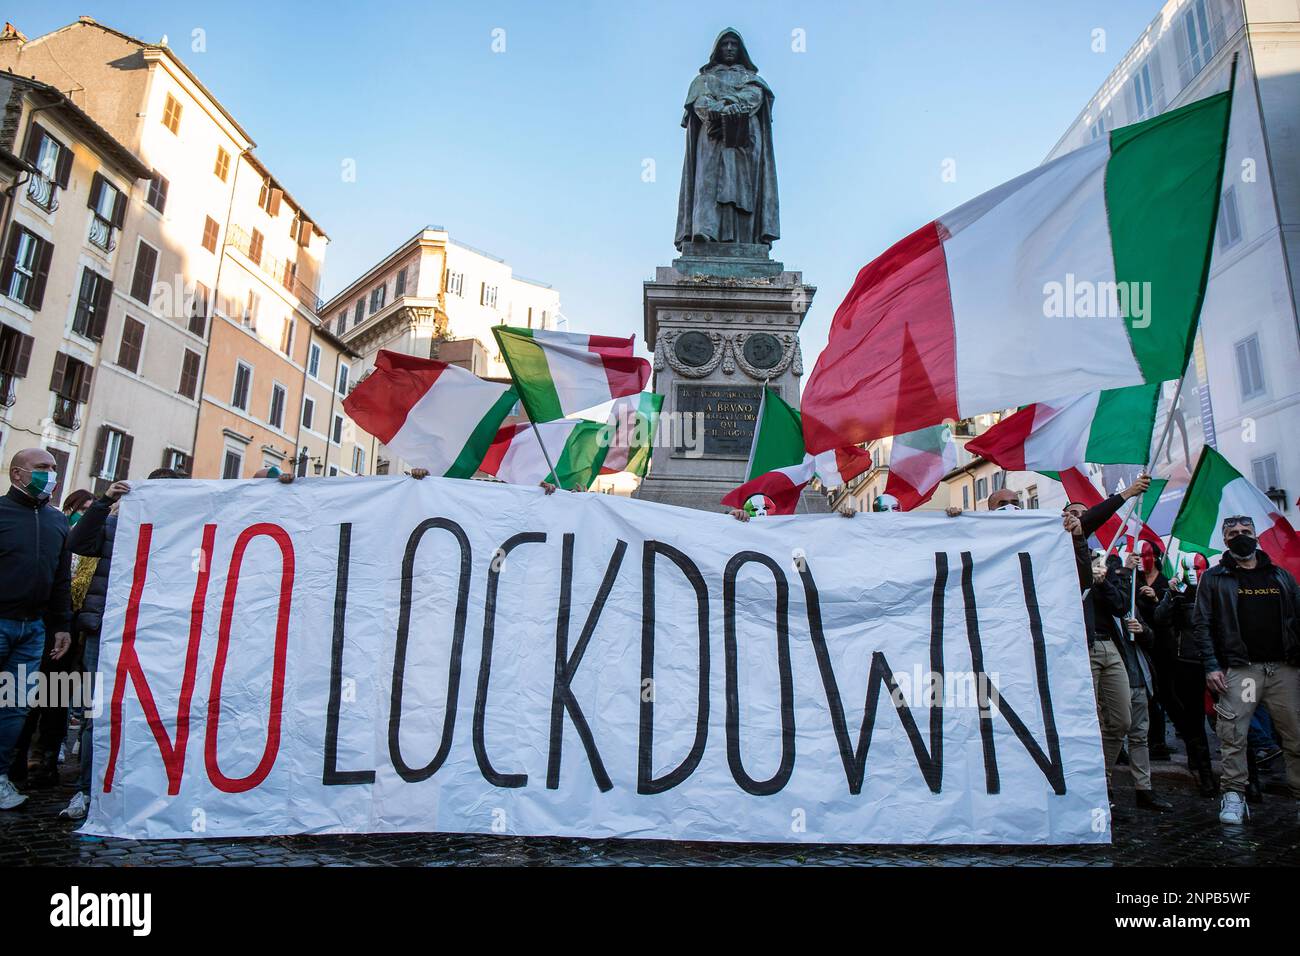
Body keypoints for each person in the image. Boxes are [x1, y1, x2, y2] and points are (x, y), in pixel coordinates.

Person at [57, 468, 184, 820]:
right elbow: (78, 543)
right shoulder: (116, 526)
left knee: (152, 712)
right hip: (107, 633)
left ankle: (141, 787)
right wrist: (103, 503)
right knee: (98, 715)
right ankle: (88, 791)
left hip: (157, 634)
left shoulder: (184, 534)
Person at [1192, 515, 1300, 825]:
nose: (1241, 536)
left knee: (1295, 736)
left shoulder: (1280, 576)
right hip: (1245, 671)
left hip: (1283, 671)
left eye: (1246, 532)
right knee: (1234, 735)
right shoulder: (1214, 578)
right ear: (1224, 540)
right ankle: (1234, 795)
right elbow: (1203, 624)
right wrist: (1212, 667)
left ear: (1256, 536)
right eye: (1234, 533)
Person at [1060, 474, 1150, 812]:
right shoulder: (1060, 554)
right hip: (1078, 648)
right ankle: (1100, 787)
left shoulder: (1106, 559)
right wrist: (1125, 493)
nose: (1078, 518)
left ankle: (1105, 773)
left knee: (1121, 720)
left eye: (1084, 513)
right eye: (1071, 514)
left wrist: (1103, 582)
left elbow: (1119, 606)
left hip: (1108, 646)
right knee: (1090, 721)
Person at [0, 449, 73, 810]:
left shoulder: (58, 521)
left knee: (14, 709)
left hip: (34, 630)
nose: (51, 474)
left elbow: (60, 578)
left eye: (54, 468)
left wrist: (61, 625)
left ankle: (0, 776)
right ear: (17, 474)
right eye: (42, 468)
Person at [1110, 551, 1173, 811]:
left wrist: (1142, 630)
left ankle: (1144, 789)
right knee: (1113, 734)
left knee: (1139, 737)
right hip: (1117, 680)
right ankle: (1106, 788)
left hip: (1138, 678)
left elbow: (1152, 637)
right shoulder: (1100, 610)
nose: (1121, 587)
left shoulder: (1131, 606)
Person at [1156, 552, 1219, 796]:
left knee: (1232, 720)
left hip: (1218, 661)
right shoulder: (1180, 593)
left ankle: (1249, 779)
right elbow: (1161, 619)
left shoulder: (1217, 589)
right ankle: (1204, 774)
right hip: (1188, 662)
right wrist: (1171, 594)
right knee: (1193, 721)